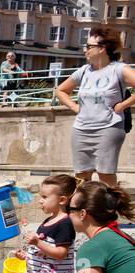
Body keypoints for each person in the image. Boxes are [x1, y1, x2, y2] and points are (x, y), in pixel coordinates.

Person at [54, 24, 135, 187]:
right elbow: (61, 90)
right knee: (81, 175)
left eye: (89, 46)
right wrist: (75, 107)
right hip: (81, 129)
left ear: (103, 48)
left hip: (108, 128)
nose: (85, 50)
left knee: (105, 174)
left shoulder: (119, 69)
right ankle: (84, 210)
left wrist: (123, 106)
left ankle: (112, 209)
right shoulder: (84, 71)